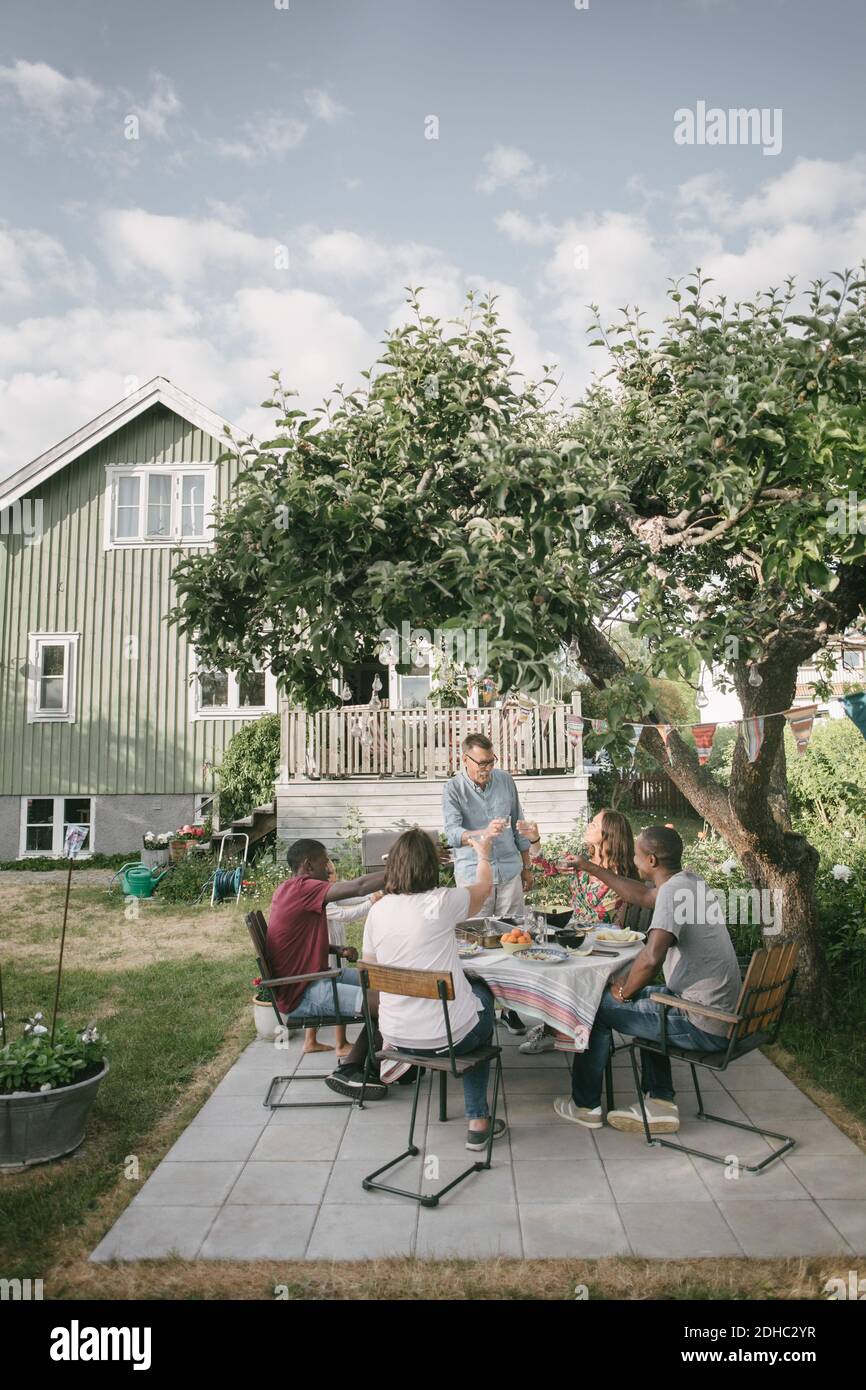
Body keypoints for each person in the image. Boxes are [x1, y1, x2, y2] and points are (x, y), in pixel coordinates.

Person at [552, 825, 742, 1133]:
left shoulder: (672, 893)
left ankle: (584, 1105)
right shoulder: (690, 883)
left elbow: (651, 958)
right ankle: (659, 1102)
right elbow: (639, 894)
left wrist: (624, 992)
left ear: (651, 860)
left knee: (593, 1009)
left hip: (702, 1021)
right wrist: (587, 866)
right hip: (717, 1014)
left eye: (637, 854)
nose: (633, 858)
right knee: (650, 999)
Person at [361, 826, 507, 1152]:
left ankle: (407, 1061)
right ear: (432, 865)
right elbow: (482, 890)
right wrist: (483, 855)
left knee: (466, 1001)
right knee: (482, 998)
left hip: (396, 1035)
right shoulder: (443, 902)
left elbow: (372, 968)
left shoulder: (378, 910)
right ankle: (477, 1120)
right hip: (448, 1037)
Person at [266, 839, 388, 1098]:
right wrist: (403, 868)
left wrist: (335, 950)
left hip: (310, 978)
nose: (329, 868)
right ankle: (354, 1070)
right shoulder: (304, 888)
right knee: (388, 1003)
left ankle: (362, 1066)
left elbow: (296, 941)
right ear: (309, 865)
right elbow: (359, 887)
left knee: (386, 983)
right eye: (325, 862)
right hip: (304, 990)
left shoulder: (289, 889)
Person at [516, 809, 640, 1055]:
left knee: (554, 963)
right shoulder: (584, 864)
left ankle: (559, 1029)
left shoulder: (621, 876)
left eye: (594, 824)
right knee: (543, 955)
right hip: (576, 940)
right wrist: (535, 841)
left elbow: (609, 920)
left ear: (608, 835)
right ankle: (553, 1027)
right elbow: (545, 869)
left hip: (603, 948)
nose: (589, 825)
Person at [442, 731, 533, 1035]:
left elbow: (519, 823)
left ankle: (511, 1009)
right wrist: (481, 833)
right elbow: (453, 833)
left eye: (491, 761)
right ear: (464, 759)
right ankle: (476, 1009)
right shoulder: (453, 789)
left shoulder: (505, 780)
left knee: (513, 939)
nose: (487, 768)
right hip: (474, 874)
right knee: (475, 945)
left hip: (509, 869)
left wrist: (527, 866)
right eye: (481, 763)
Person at [301, 867, 381, 1059]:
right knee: (338, 993)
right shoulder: (321, 899)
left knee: (332, 988)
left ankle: (310, 1041)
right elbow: (347, 915)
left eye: (334, 871)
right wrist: (372, 900)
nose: (334, 876)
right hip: (329, 951)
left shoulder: (329, 894)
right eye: (329, 873)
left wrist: (370, 894)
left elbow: (352, 898)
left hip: (333, 948)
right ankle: (340, 1043)